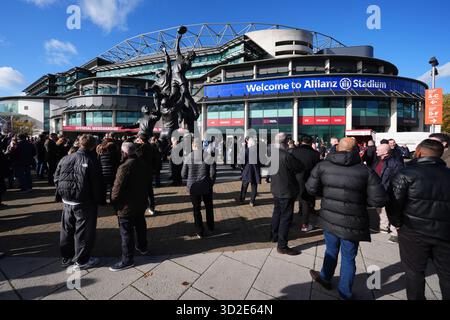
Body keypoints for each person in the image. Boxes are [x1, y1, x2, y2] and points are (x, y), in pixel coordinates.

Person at [306, 138, 387, 300]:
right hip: (353, 221)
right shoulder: (365, 171)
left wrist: (327, 194)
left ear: (337, 148)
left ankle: (325, 277)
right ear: (355, 150)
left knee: (331, 250)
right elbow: (379, 199)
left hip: (330, 217)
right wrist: (361, 201)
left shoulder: (323, 166)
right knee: (349, 258)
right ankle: (344, 293)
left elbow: (311, 188)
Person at [387, 139, 450, 300]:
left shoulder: (406, 174)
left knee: (414, 272)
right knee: (446, 274)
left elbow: (394, 203)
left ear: (419, 152)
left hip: (413, 232)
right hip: (444, 232)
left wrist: (397, 224)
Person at [54, 134, 103, 270]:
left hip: (67, 199)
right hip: (83, 201)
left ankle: (66, 256)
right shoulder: (91, 160)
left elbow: (56, 177)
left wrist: (61, 191)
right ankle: (81, 260)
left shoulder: (66, 158)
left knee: (67, 229)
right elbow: (97, 183)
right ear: (93, 146)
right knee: (83, 232)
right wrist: (98, 199)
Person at [109, 142, 150, 271]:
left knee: (126, 231)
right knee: (140, 225)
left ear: (124, 153)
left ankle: (127, 259)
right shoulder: (143, 163)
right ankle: (143, 247)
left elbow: (117, 188)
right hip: (140, 202)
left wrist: (113, 201)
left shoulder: (124, 167)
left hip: (127, 205)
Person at [270, 133, 305, 255]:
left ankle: (274, 235)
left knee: (277, 213)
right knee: (285, 217)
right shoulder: (286, 155)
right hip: (286, 190)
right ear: (285, 142)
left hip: (276, 188)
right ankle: (282, 245)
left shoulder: (272, 154)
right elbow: (300, 167)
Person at [181, 138, 216, 239]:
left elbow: (183, 174)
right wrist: (211, 183)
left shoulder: (188, 157)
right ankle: (210, 226)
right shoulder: (208, 156)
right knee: (209, 206)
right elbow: (212, 173)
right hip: (206, 185)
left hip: (193, 186)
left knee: (196, 209)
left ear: (193, 146)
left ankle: (199, 231)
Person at [372, 143, 404, 242]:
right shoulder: (378, 160)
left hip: (390, 191)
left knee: (392, 211)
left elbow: (399, 179)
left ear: (385, 152)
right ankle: (384, 227)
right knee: (380, 209)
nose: (376, 151)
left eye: (378, 149)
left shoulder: (395, 163)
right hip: (380, 190)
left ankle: (395, 233)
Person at [289, 135, 321, 232]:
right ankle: (304, 224)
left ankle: (288, 221)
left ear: (301, 141)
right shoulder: (315, 153)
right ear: (311, 142)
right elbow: (317, 168)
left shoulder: (294, 151)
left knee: (291, 201)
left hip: (295, 179)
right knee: (305, 202)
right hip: (309, 179)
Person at [135, 133, 159, 215]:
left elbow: (137, 158)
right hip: (149, 171)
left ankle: (141, 208)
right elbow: (155, 159)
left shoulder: (140, 149)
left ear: (141, 140)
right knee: (150, 191)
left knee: (140, 191)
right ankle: (152, 208)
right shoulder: (152, 147)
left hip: (141, 172)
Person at [96, 135, 121, 204]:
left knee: (103, 188)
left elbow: (98, 162)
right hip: (113, 172)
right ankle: (112, 201)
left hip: (102, 172)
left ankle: (102, 201)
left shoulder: (100, 151)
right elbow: (118, 161)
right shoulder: (116, 152)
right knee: (112, 188)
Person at [239, 137, 261, 207]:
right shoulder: (257, 151)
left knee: (244, 186)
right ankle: (252, 201)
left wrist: (242, 167)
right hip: (255, 171)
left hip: (247, 170)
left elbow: (242, 160)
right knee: (254, 187)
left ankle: (242, 200)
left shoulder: (247, 150)